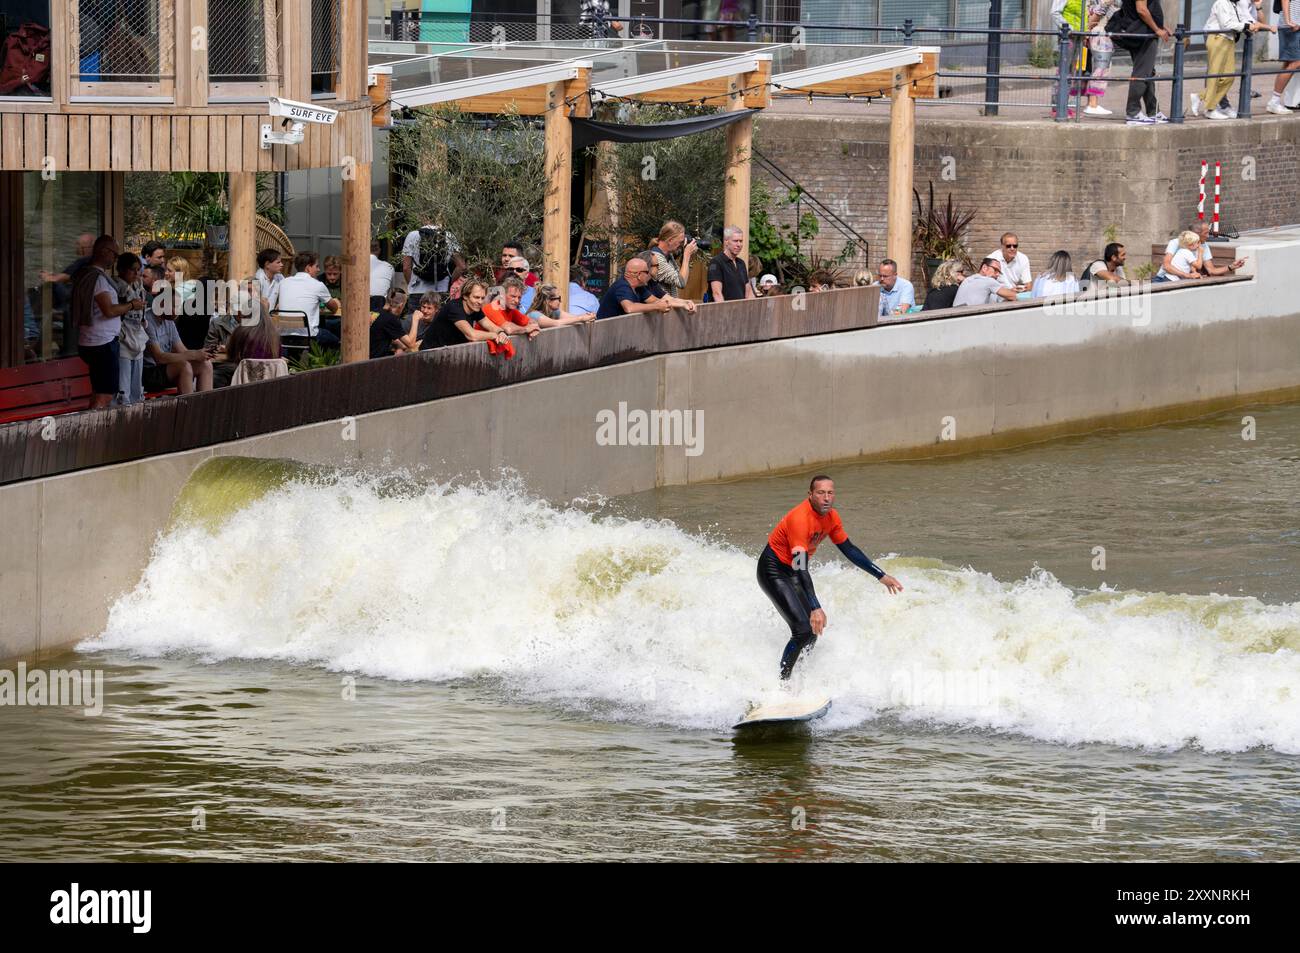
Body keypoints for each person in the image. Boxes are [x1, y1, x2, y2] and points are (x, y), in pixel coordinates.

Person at [758, 475, 904, 681]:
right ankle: (782, 685)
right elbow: (800, 568)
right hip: (774, 571)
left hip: (795, 571)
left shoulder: (832, 517)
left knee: (812, 631)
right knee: (802, 630)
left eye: (830, 493)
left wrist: (880, 575)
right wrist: (815, 607)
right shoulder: (800, 520)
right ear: (810, 495)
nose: (826, 498)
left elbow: (849, 549)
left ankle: (799, 677)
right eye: (820, 493)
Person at [71, 235, 142, 410]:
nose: (115, 259)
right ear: (104, 251)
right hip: (101, 343)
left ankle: (90, 427)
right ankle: (93, 430)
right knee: (105, 393)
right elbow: (109, 310)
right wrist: (132, 305)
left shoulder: (89, 275)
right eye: (114, 254)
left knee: (99, 391)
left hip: (94, 341)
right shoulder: (99, 279)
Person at [1192, 1, 1274, 119]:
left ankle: (1200, 97)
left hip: (1229, 39)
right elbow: (1226, 24)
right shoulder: (1221, 3)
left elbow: (1243, 19)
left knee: (1229, 77)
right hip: (1217, 38)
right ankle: (1210, 109)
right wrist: (1247, 26)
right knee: (1215, 75)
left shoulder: (1233, 4)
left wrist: (1252, 24)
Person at [143, 285, 213, 395]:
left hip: (165, 370)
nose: (178, 310)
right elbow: (159, 357)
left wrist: (203, 355)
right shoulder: (147, 321)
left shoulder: (169, 322)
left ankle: (204, 407)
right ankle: (189, 409)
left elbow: (182, 351)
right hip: (149, 373)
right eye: (175, 306)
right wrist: (194, 355)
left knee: (205, 364)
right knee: (183, 365)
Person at [1109, 0, 1171, 125]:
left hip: (1143, 32)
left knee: (1147, 72)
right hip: (1145, 34)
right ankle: (1133, 112)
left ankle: (1153, 111)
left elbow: (1146, 9)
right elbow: (1141, 9)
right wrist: (1157, 29)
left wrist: (1161, 26)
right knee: (1142, 73)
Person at [419, 279, 510, 351]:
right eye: (476, 297)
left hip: (448, 352)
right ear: (465, 296)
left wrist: (500, 333)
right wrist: (494, 335)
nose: (480, 302)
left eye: (482, 298)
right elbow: (472, 335)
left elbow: (491, 326)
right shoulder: (454, 308)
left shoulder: (475, 309)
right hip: (429, 353)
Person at [278, 251, 341, 346]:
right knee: (337, 342)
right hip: (309, 335)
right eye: (316, 266)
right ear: (308, 268)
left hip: (284, 334)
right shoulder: (317, 284)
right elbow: (334, 308)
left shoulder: (283, 283)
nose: (319, 269)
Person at [597, 257, 694, 318]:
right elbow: (630, 308)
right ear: (639, 275)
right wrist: (657, 307)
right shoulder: (622, 286)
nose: (650, 274)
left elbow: (657, 301)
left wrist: (684, 303)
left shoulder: (639, 287)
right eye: (647, 272)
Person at [112, 253, 149, 405]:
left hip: (138, 339)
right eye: (132, 270)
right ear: (121, 269)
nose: (136, 273)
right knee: (123, 388)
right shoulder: (116, 287)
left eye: (138, 270)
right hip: (123, 341)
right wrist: (131, 305)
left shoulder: (138, 286)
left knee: (136, 389)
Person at [402, 222, 465, 299]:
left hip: (417, 290)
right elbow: (461, 266)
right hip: (442, 290)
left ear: (423, 217)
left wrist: (410, 285)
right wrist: (450, 283)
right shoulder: (449, 236)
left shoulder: (413, 235)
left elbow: (406, 268)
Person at [1160, 221, 1246, 277]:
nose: (1208, 236)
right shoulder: (1175, 243)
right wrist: (1187, 275)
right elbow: (1166, 266)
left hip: (1181, 280)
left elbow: (1211, 270)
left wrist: (1231, 266)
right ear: (1196, 234)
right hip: (1164, 279)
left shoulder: (1204, 245)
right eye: (1206, 233)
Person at [1083, 0, 1123, 115]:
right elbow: (1099, 13)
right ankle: (1092, 104)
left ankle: (1091, 103)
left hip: (1098, 32)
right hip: (1101, 33)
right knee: (1102, 68)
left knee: (1097, 67)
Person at [1266, 0, 1300, 114]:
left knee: (1290, 63)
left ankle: (1275, 101)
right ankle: (1274, 101)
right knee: (1295, 62)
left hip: (1295, 25)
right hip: (1292, 26)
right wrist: (1288, 21)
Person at [648, 221, 697, 298]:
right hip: (659, 306)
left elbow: (680, 274)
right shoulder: (656, 258)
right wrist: (687, 255)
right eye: (680, 242)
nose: (681, 245)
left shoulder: (668, 255)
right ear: (670, 240)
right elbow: (681, 283)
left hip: (668, 305)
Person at [707, 226, 755, 301]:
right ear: (726, 241)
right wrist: (724, 312)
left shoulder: (741, 263)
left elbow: (748, 293)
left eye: (741, 241)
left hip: (740, 310)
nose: (739, 244)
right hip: (723, 311)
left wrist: (754, 309)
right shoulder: (716, 262)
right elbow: (717, 293)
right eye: (735, 241)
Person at [369, 290, 421, 358]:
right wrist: (415, 319)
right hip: (375, 360)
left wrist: (400, 346)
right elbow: (411, 344)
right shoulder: (390, 318)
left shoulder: (374, 311)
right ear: (401, 305)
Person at [953, 258, 1021, 306]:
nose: (997, 274)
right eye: (995, 270)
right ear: (984, 268)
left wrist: (1008, 291)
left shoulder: (968, 279)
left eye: (999, 272)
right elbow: (1013, 296)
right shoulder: (988, 280)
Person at [526, 283, 597, 327]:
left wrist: (588, 317)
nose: (560, 301)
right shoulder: (535, 315)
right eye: (558, 298)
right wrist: (581, 318)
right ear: (548, 301)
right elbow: (556, 323)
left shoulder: (554, 311)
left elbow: (573, 317)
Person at [369, 241, 395, 311]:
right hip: (380, 308)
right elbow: (391, 291)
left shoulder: (356, 266)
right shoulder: (389, 266)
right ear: (379, 250)